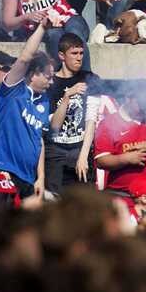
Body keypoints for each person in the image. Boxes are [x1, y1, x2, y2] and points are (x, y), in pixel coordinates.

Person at [0, 24, 53, 202]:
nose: (51, 82)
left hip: (28, 179)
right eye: (48, 76)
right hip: (3, 171)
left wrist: (41, 177)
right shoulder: (13, 90)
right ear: (34, 74)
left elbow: (39, 140)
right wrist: (43, 28)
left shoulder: (44, 101)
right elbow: (24, 58)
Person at [92, 83, 146, 203]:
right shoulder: (109, 123)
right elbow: (101, 161)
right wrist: (126, 159)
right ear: (129, 98)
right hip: (122, 196)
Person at [44, 33, 102, 195]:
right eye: (74, 53)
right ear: (62, 56)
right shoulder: (50, 82)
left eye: (81, 53)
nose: (79, 58)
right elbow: (54, 126)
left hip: (80, 148)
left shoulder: (90, 78)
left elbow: (91, 120)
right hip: (55, 151)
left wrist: (83, 156)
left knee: (83, 201)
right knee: (54, 202)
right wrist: (67, 96)